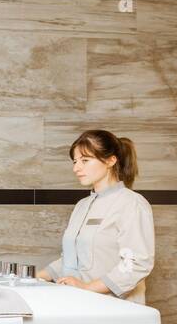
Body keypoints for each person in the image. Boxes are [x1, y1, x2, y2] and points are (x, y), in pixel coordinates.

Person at [43, 130, 155, 304]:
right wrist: (29, 278)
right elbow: (71, 260)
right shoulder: (82, 206)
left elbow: (136, 264)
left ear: (111, 160)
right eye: (75, 161)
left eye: (85, 160)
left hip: (115, 311)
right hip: (77, 305)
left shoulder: (131, 204)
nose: (76, 168)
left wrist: (87, 288)